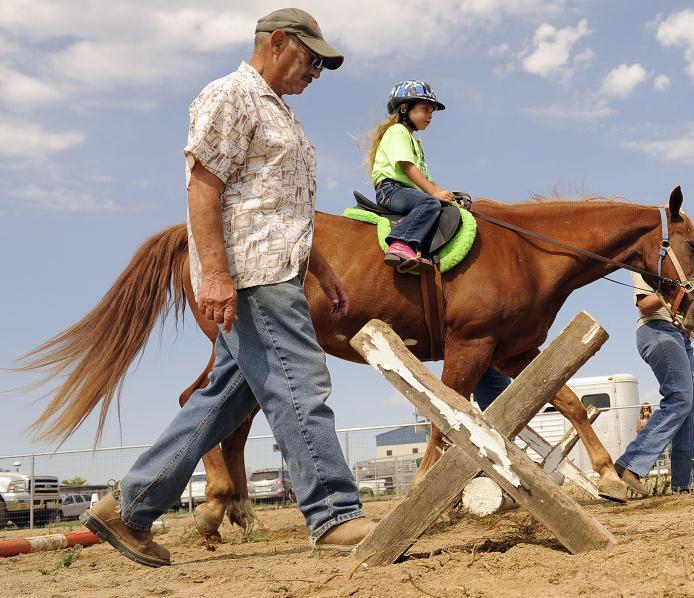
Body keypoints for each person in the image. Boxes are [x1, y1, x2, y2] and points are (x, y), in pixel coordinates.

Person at [80, 8, 374, 568]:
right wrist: (213, 273)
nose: (317, 72)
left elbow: (280, 206)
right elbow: (204, 186)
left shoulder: (280, 113)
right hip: (252, 275)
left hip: (279, 266)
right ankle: (334, 513)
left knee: (221, 404)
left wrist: (325, 270)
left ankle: (129, 508)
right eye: (312, 59)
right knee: (300, 383)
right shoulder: (230, 96)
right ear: (279, 42)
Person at [615, 266, 694, 494]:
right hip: (657, 329)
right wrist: (676, 290)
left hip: (682, 337)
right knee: (679, 396)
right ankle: (630, 463)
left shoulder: (685, 272)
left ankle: (686, 482)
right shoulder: (648, 265)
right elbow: (644, 305)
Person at [366, 79, 456, 271]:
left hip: (404, 190)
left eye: (432, 112)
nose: (430, 116)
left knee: (436, 200)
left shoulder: (415, 142)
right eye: (425, 109)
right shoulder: (397, 131)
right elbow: (408, 167)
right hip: (391, 190)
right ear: (405, 108)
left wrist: (448, 195)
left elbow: (428, 179)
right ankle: (401, 244)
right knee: (429, 203)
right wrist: (434, 194)